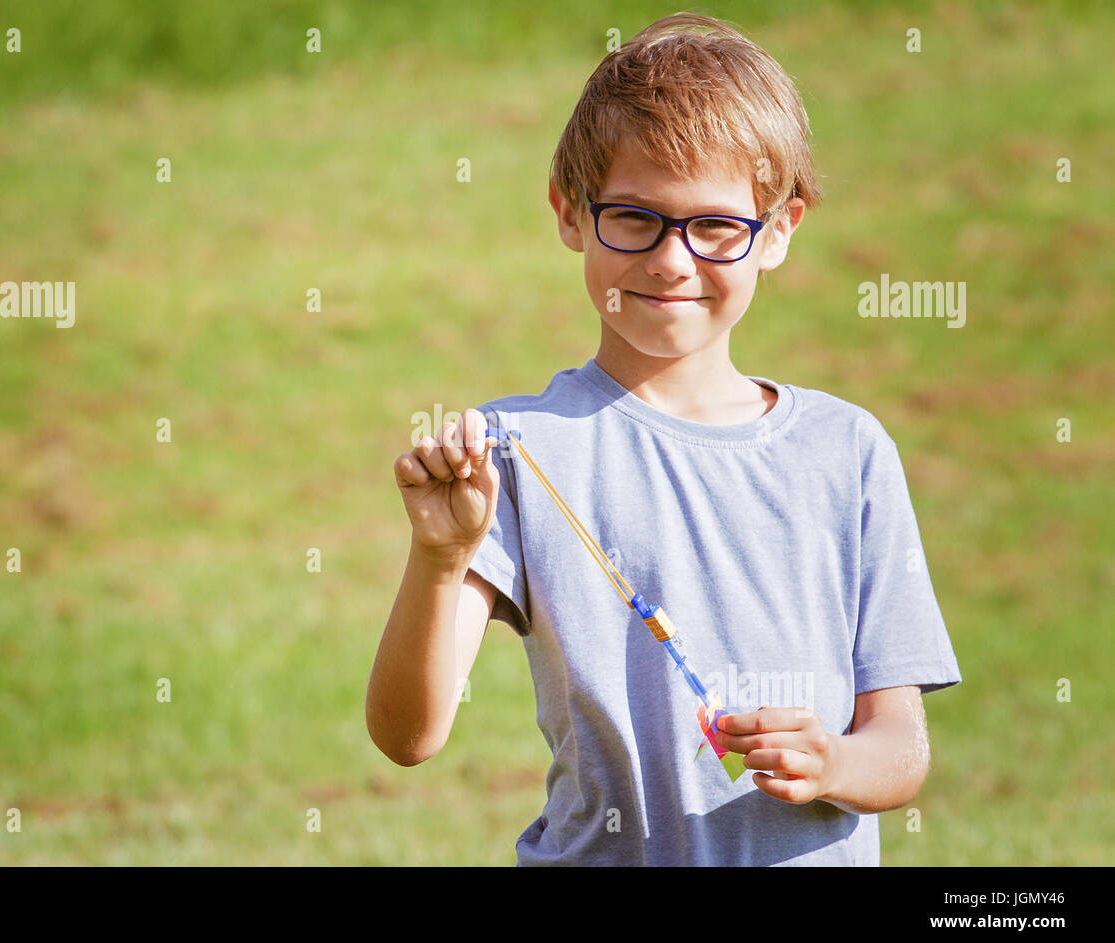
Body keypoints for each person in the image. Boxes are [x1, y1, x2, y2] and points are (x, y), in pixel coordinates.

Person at [366, 12, 961, 865]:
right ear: (570, 213)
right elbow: (408, 735)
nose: (673, 261)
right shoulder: (514, 452)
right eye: (636, 217)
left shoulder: (850, 451)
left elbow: (899, 749)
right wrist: (438, 558)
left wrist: (831, 761)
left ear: (781, 229)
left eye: (717, 225)